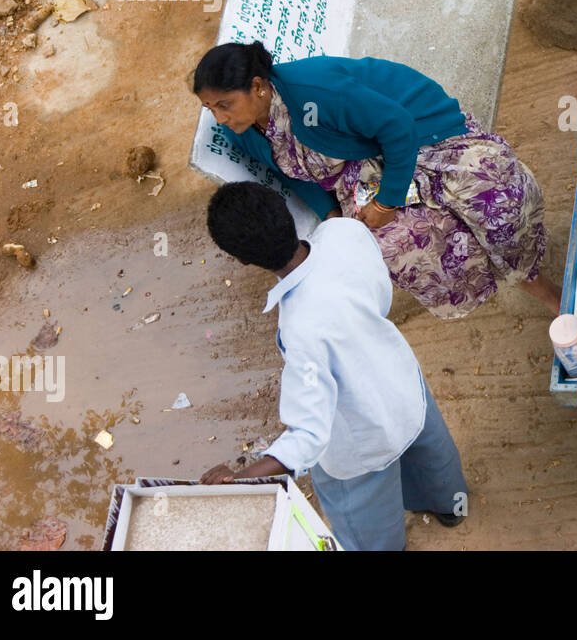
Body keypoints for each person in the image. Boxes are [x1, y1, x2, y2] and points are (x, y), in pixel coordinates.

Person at [192, 41, 562, 318]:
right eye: (210, 108)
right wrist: (331, 215)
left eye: (225, 105)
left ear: (258, 87)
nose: (219, 118)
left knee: (492, 195)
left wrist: (387, 201)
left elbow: (396, 125)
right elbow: (294, 173)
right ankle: (486, 280)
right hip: (356, 170)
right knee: (398, 248)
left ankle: (536, 282)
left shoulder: (314, 92)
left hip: (423, 137)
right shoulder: (241, 130)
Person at [198, 181, 469, 551]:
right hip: (402, 383)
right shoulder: (344, 232)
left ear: (244, 260)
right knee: (431, 456)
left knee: (364, 517)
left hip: (360, 439)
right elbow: (377, 297)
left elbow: (310, 433)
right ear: (286, 214)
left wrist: (242, 477)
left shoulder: (300, 327)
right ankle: (449, 508)